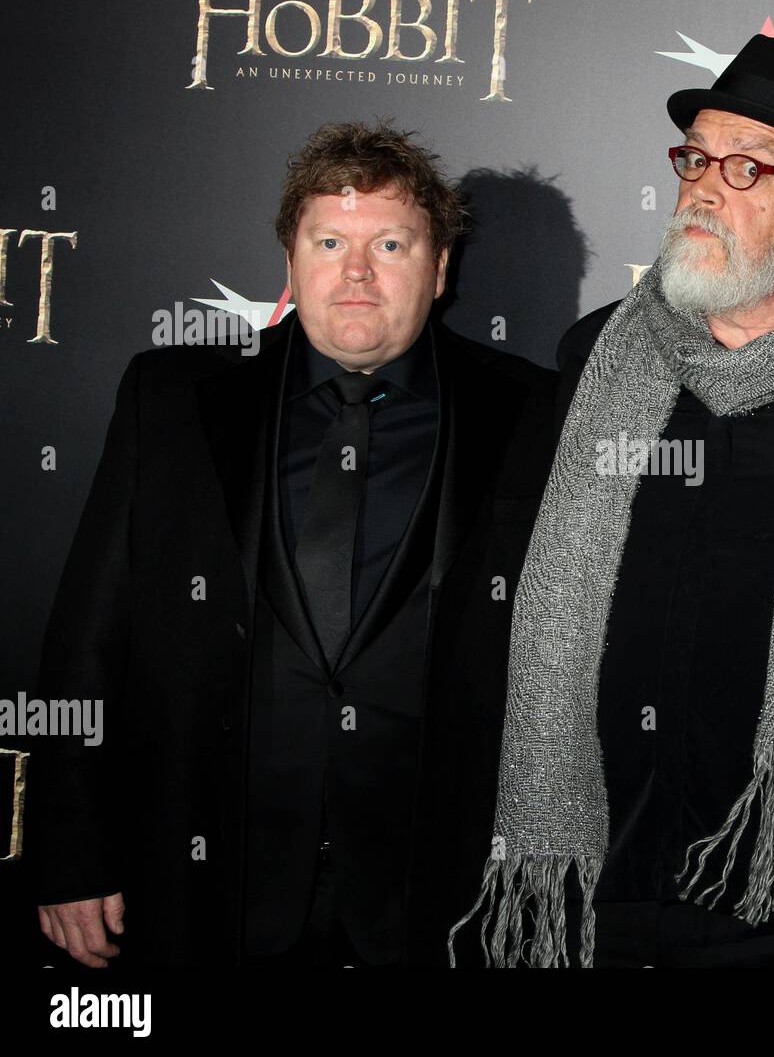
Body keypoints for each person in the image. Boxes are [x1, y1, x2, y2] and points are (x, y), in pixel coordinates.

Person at [450, 34, 774, 967]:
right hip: (591, 890)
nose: (701, 186)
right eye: (695, 158)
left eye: (744, 165)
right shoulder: (593, 353)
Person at [29, 120, 555, 967]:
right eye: (329, 241)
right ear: (290, 260)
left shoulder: (535, 412)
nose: (356, 271)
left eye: (390, 242)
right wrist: (70, 851)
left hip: (442, 897)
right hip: (206, 881)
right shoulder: (172, 397)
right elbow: (88, 636)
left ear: (441, 267)